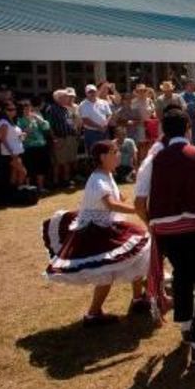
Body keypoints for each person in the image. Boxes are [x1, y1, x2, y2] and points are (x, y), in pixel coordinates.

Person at [133, 107, 195, 366]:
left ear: (164, 130)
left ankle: (187, 326)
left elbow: (139, 202)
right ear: (189, 129)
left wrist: (152, 224)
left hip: (166, 233)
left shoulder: (152, 160)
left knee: (182, 275)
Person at [41, 140, 152, 326]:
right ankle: (93, 314)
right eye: (113, 152)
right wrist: (138, 210)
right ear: (102, 157)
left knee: (138, 252)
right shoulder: (98, 179)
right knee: (105, 273)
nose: (118, 155)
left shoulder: (106, 175)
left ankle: (138, 299)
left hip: (105, 227)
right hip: (95, 231)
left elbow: (118, 197)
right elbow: (111, 204)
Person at [44, 89, 80, 188]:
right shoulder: (51, 109)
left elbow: (69, 122)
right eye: (65, 96)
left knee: (68, 160)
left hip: (70, 137)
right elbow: (48, 125)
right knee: (60, 162)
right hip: (60, 138)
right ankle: (61, 181)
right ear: (58, 98)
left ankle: (67, 180)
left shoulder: (64, 109)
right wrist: (54, 138)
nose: (68, 98)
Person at [18, 99, 52, 191]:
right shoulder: (19, 119)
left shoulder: (36, 116)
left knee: (41, 167)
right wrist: (29, 125)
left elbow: (46, 127)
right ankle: (28, 188)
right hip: (28, 147)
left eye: (29, 108)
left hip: (41, 145)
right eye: (25, 109)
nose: (27, 110)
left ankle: (41, 187)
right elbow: (21, 134)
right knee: (29, 168)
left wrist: (39, 120)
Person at [0, 101, 28, 189]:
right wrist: (11, 153)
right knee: (23, 172)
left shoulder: (12, 122)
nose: (13, 111)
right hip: (11, 153)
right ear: (4, 111)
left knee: (15, 172)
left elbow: (18, 139)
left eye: (14, 109)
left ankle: (13, 192)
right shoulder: (3, 123)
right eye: (10, 109)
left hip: (18, 151)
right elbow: (3, 139)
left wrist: (24, 134)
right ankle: (18, 189)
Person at [79, 84, 113, 157]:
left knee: (106, 151)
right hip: (91, 132)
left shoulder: (103, 102)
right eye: (90, 92)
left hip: (104, 131)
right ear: (86, 93)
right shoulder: (83, 104)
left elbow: (109, 114)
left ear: (97, 92)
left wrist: (106, 123)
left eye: (93, 91)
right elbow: (85, 119)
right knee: (94, 153)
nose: (92, 93)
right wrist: (99, 127)